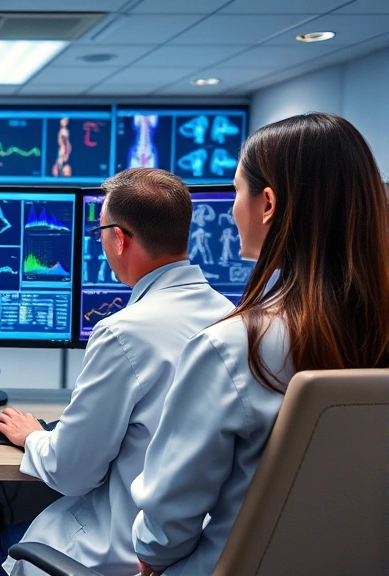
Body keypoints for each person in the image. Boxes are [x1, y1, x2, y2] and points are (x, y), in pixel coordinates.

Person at [130, 112, 389, 576]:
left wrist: (150, 551)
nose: (232, 210)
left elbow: (164, 535)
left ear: (267, 203)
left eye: (236, 192)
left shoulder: (235, 347)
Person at [0, 168, 235, 576]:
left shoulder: (123, 332)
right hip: (198, 551)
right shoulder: (231, 317)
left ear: (119, 239)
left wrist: (33, 436)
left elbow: (72, 472)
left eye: (101, 231)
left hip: (125, 551)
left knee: (8, 543)